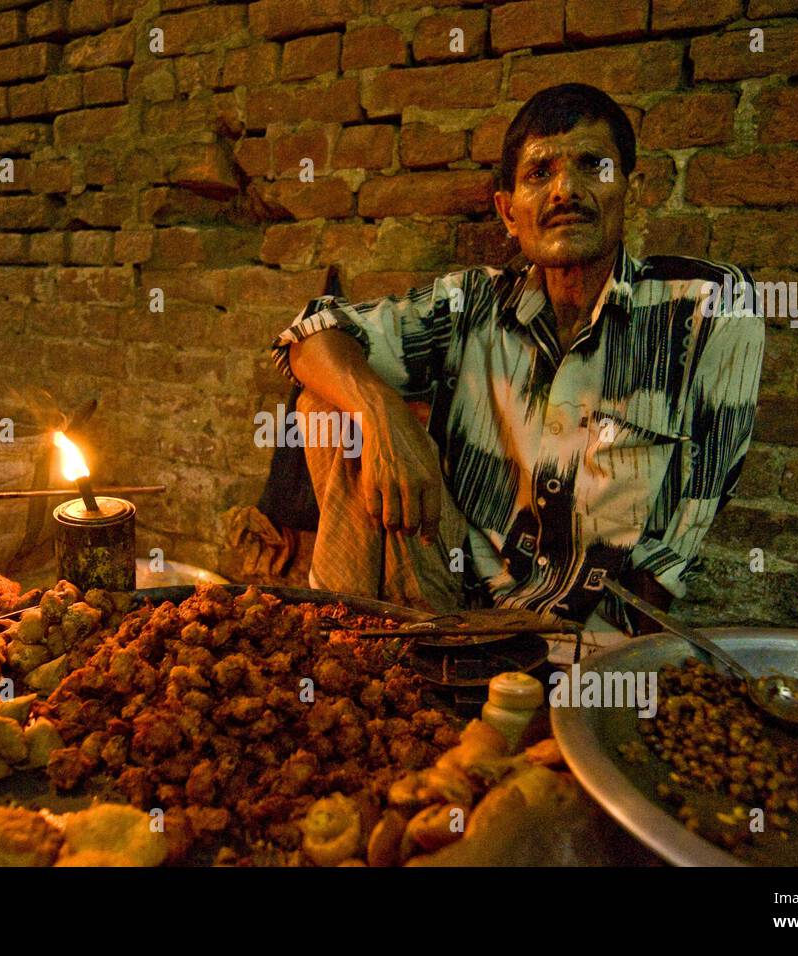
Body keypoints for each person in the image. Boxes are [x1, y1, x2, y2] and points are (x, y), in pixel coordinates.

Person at [270, 82, 764, 655]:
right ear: (508, 212)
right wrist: (386, 419)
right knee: (332, 405)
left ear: (634, 188)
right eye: (539, 174)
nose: (566, 191)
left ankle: (397, 666)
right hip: (452, 597)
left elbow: (677, 549)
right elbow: (308, 334)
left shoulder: (708, 307)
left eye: (593, 166)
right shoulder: (472, 302)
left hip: (584, 635)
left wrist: (596, 672)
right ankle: (356, 660)